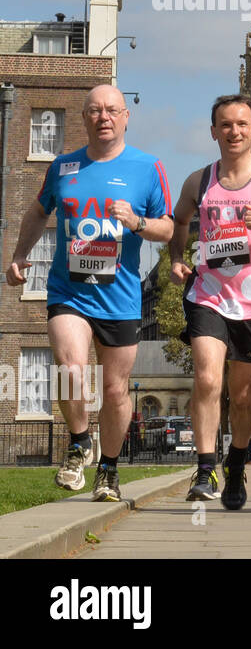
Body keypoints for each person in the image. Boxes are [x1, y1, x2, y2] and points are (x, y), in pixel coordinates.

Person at [5, 85, 173, 501]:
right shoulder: (63, 167)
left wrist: (136, 221)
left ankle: (109, 470)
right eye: (95, 111)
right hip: (69, 291)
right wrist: (18, 256)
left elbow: (167, 228)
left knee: (115, 389)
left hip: (119, 297)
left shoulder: (148, 167)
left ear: (125, 117)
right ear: (84, 118)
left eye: (112, 110)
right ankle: (80, 441)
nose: (104, 117)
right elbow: (37, 211)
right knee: (69, 368)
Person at [168, 94, 251, 507]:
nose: (234, 131)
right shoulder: (198, 181)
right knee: (208, 378)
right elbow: (179, 222)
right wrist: (176, 259)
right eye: (226, 125)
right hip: (208, 295)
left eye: (242, 124)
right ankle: (206, 467)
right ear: (214, 132)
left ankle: (237, 465)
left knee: (243, 394)